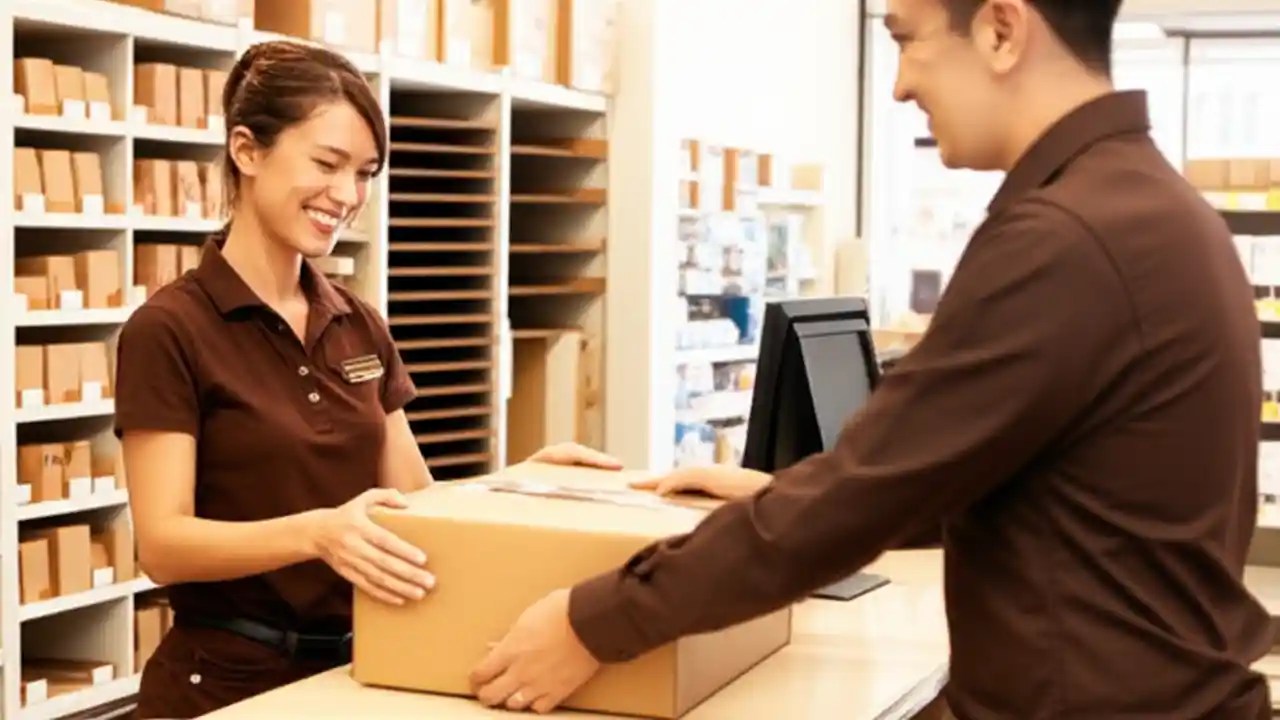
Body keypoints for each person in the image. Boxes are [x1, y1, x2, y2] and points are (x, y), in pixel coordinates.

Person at [469, 1, 1275, 718]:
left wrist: (590, 622)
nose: (898, 86)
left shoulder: (1065, 239)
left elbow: (861, 502)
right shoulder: (1153, 208)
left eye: (908, 40)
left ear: (1000, 29)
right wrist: (782, 490)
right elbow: (1005, 478)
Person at [114, 40, 620, 720]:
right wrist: (318, 533)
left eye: (364, 173)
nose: (347, 195)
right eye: (327, 163)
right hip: (226, 687)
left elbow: (416, 504)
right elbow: (164, 547)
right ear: (247, 150)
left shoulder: (357, 324)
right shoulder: (169, 329)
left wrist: (519, 485)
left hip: (356, 670)